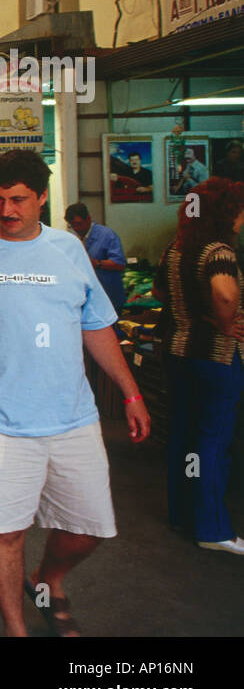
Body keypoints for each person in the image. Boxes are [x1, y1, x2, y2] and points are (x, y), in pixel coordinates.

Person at [0, 150, 151, 637]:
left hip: (72, 417)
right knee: (4, 531)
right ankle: (16, 627)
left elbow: (96, 326)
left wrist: (131, 394)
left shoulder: (69, 250)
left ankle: (47, 578)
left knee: (89, 526)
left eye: (19, 200)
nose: (7, 211)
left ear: (43, 197)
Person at [152, 177, 244, 554]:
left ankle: (183, 514)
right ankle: (212, 529)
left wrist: (190, 308)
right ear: (226, 212)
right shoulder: (219, 251)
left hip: (178, 353)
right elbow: (224, 292)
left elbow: (158, 292)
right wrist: (223, 320)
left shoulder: (177, 249)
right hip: (215, 357)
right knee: (213, 441)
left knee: (186, 437)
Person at [65, 202, 127, 317]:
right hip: (87, 297)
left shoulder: (107, 235)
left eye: (78, 224)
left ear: (88, 219)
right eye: (72, 225)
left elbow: (119, 264)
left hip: (109, 296)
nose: (76, 228)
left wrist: (95, 263)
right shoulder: (74, 238)